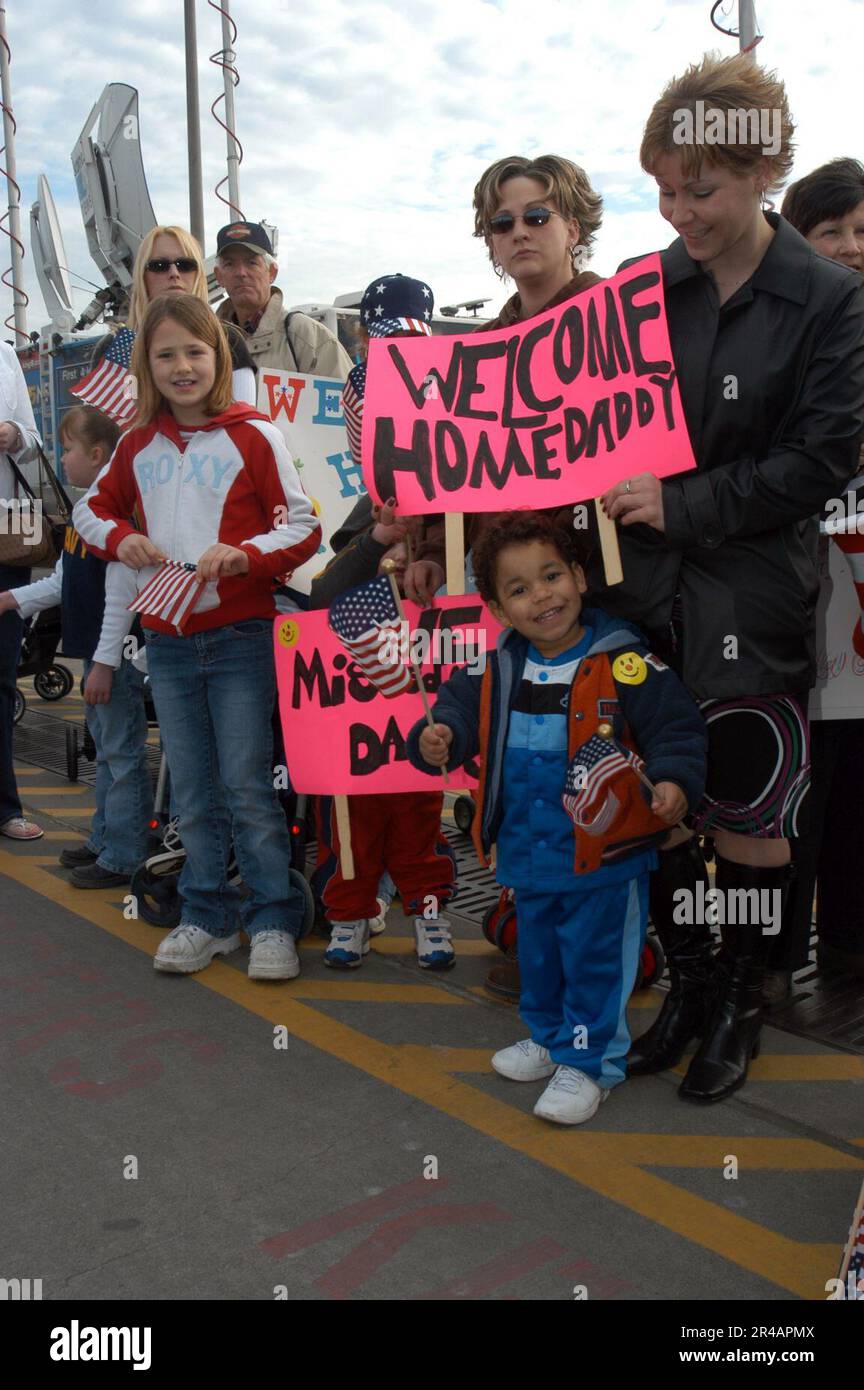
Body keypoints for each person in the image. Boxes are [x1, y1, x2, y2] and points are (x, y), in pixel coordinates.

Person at [594, 54, 864, 1101]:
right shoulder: (638, 290)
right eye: (662, 189)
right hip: (645, 596)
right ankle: (692, 988)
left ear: (762, 171)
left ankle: (743, 1001)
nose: (679, 212)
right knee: (658, 798)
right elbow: (570, 416)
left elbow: (821, 458)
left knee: (752, 816)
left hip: (754, 593)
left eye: (698, 189)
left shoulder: (833, 301)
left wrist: (684, 502)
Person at [407, 514, 707, 1125]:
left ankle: (592, 1061)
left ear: (579, 576)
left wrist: (675, 781)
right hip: (525, 850)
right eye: (519, 589)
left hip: (605, 854)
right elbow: (452, 715)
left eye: (551, 576)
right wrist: (436, 737)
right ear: (496, 607)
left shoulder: (622, 659)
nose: (541, 595)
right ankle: (549, 1037)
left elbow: (675, 726)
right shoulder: (490, 666)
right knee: (539, 955)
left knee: (595, 959)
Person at [73, 294, 321, 980]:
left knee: (245, 784)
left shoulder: (254, 434)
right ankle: (205, 915)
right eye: (165, 355)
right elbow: (90, 510)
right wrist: (123, 540)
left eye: (195, 351)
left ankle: (270, 917)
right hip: (169, 645)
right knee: (191, 790)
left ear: (217, 357)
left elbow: (303, 527)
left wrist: (246, 556)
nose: (182, 366)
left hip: (242, 636)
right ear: (147, 368)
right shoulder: (135, 444)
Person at [404, 153, 604, 605]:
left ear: (573, 228)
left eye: (536, 216)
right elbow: (457, 475)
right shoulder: (475, 351)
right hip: (500, 592)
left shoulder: (616, 323)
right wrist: (436, 554)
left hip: (602, 582)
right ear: (492, 242)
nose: (519, 232)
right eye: (501, 223)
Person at [775, 158, 864, 983]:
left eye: (863, 231)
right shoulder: (778, 345)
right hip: (794, 617)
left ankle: (845, 948)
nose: (850, 247)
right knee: (796, 789)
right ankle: (765, 960)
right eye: (831, 231)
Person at [0, 407, 151, 886]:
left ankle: (122, 854)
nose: (61, 460)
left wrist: (104, 663)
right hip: (95, 650)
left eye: (67, 450)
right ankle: (105, 838)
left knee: (121, 752)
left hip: (116, 654)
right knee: (104, 749)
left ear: (97, 454)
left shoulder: (117, 509)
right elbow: (64, 582)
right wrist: (9, 599)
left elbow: (123, 592)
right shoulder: (87, 508)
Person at [90, 224, 257, 406]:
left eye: (185, 265)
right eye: (159, 266)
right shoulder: (114, 348)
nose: (174, 273)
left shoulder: (228, 341)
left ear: (198, 274)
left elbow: (245, 425)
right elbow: (103, 428)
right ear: (141, 275)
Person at [213, 221, 352, 379]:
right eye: (230, 264)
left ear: (271, 272)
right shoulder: (209, 341)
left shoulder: (308, 337)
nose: (241, 272)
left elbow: (342, 400)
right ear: (219, 276)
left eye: (251, 263)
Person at [0, 340, 44, 841]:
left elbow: (34, 440)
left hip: (6, 540)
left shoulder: (6, 355)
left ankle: (5, 805)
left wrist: (14, 434)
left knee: (1, 678)